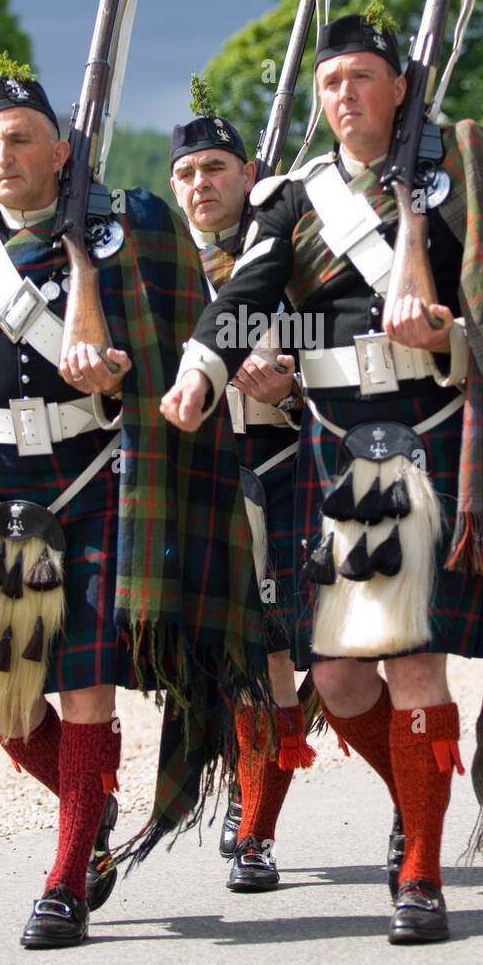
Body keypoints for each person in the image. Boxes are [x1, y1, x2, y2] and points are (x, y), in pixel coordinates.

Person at [161, 13, 483, 944]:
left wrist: (452, 337)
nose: (344, 95)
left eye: (360, 77)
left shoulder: (470, 177)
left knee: (413, 660)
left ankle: (422, 874)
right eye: (330, 84)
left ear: (399, 86)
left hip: (433, 435)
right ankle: (415, 791)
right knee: (342, 679)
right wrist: (201, 364)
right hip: (338, 446)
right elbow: (249, 293)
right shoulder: (299, 197)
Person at [0, 69, 264, 948]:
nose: (4, 156)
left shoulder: (129, 232)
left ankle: (67, 879)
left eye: (20, 139)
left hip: (102, 483)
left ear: (61, 150)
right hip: (6, 504)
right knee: (5, 705)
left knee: (82, 688)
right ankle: (95, 808)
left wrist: (120, 381)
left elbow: (176, 339)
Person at [169, 109, 313, 892]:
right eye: (187, 174)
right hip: (203, 479)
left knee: (283, 655)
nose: (202, 186)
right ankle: (236, 781)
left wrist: (288, 390)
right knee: (219, 659)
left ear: (248, 176)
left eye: (216, 169)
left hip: (289, 464)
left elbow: (341, 360)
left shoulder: (293, 253)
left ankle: (256, 827)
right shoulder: (159, 268)